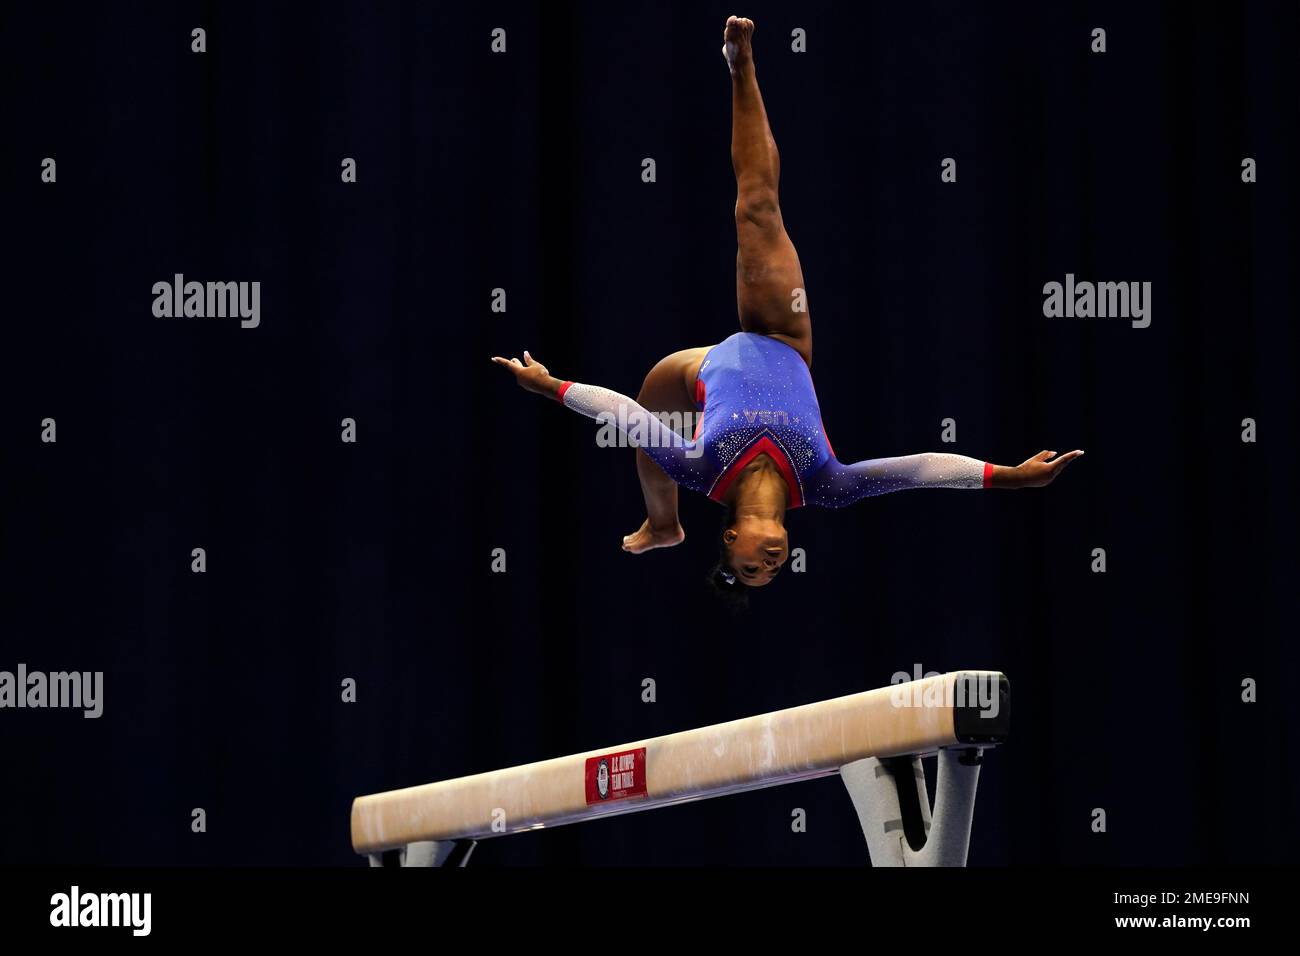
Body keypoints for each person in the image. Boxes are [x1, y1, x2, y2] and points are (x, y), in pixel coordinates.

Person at [493, 16, 1082, 593]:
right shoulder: (824, 483)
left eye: (752, 566)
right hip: (781, 337)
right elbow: (919, 469)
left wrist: (548, 385)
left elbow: (622, 416)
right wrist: (1009, 479)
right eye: (772, 572)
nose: (769, 564)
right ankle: (666, 525)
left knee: (650, 414)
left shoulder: (705, 469)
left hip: (691, 372)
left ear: (729, 539)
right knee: (760, 208)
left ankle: (665, 521)